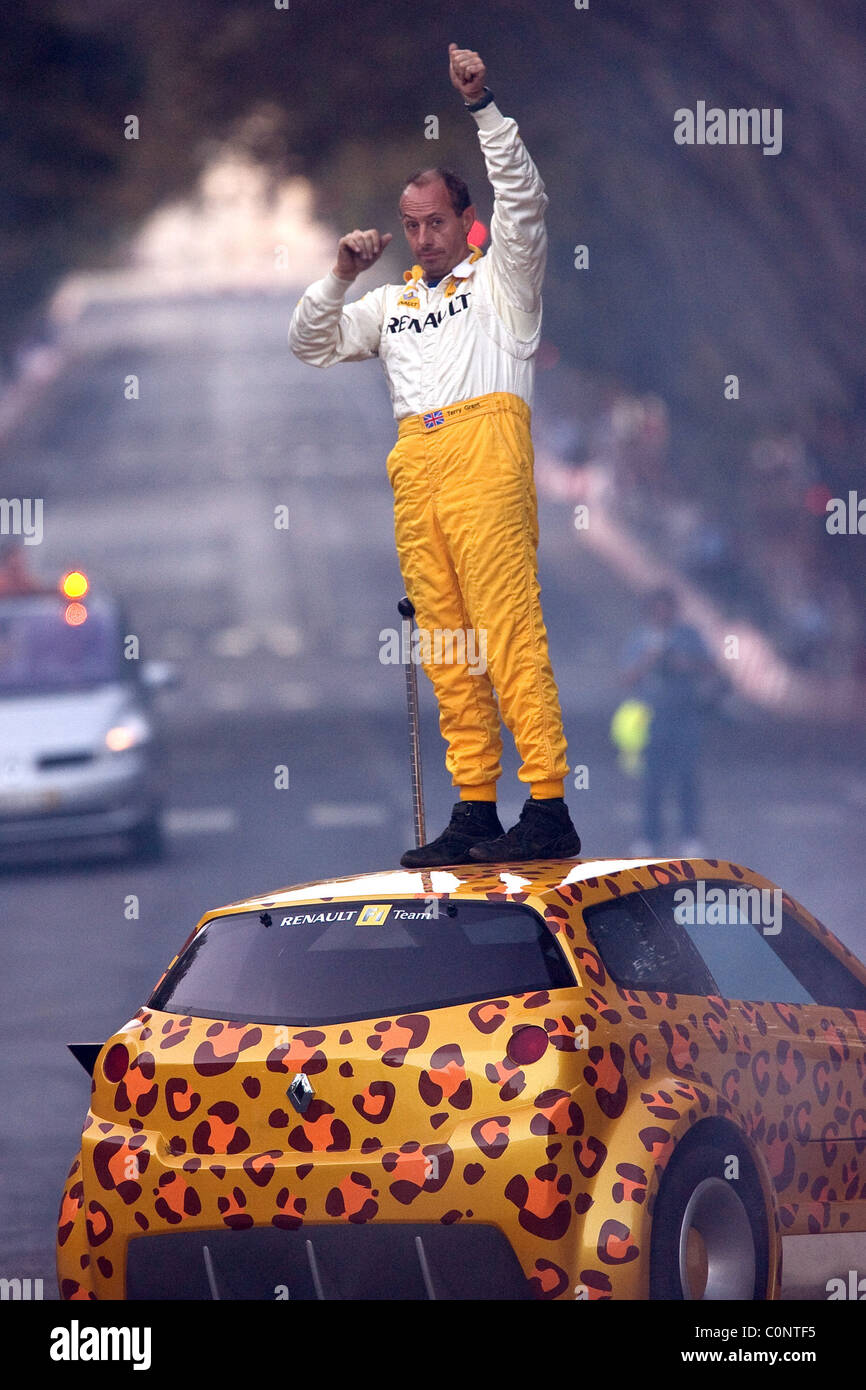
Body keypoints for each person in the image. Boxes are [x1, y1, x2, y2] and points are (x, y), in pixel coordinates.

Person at [289, 43, 580, 868]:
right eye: (410, 226)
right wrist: (340, 276)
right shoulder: (390, 303)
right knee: (448, 643)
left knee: (506, 628)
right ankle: (476, 808)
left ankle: (549, 803)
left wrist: (483, 103)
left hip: (487, 449)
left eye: (436, 223)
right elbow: (308, 342)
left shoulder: (503, 282)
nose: (422, 237)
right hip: (416, 470)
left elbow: (525, 193)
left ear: (464, 221)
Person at [621, 587, 716, 856]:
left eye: (668, 608)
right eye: (658, 608)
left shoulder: (689, 637)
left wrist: (685, 664)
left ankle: (690, 836)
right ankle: (649, 837)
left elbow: (711, 668)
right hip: (651, 719)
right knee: (651, 781)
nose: (663, 613)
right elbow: (625, 678)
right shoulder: (640, 639)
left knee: (687, 778)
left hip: (685, 716)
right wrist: (647, 660)